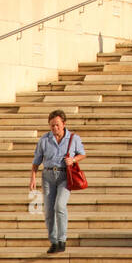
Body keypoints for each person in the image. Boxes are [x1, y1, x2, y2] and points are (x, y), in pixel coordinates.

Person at [30, 109, 85, 254]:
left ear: (64, 124)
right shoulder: (44, 140)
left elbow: (82, 154)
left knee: (60, 206)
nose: (55, 128)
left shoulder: (73, 138)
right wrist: (33, 177)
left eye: (57, 125)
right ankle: (53, 241)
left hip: (64, 176)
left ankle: (62, 239)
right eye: (52, 125)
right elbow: (36, 161)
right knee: (48, 210)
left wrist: (73, 160)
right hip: (48, 176)